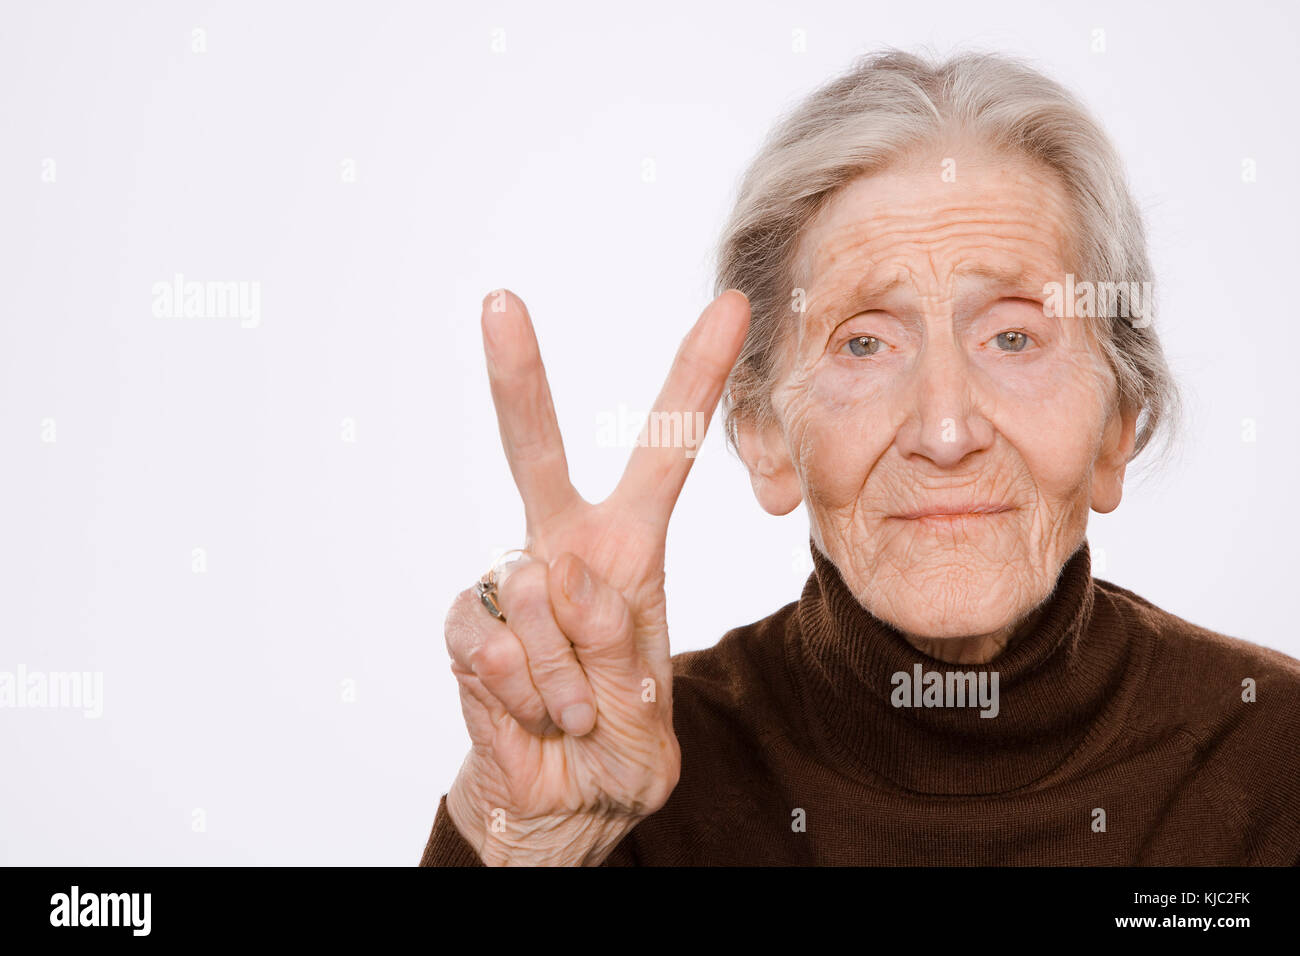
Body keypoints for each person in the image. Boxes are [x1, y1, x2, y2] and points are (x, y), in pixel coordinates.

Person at [421, 49, 1300, 866]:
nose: (946, 430)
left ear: (1118, 426)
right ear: (765, 437)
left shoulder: (1273, 751)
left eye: (1014, 336)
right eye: (864, 346)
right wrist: (524, 845)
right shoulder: (629, 770)